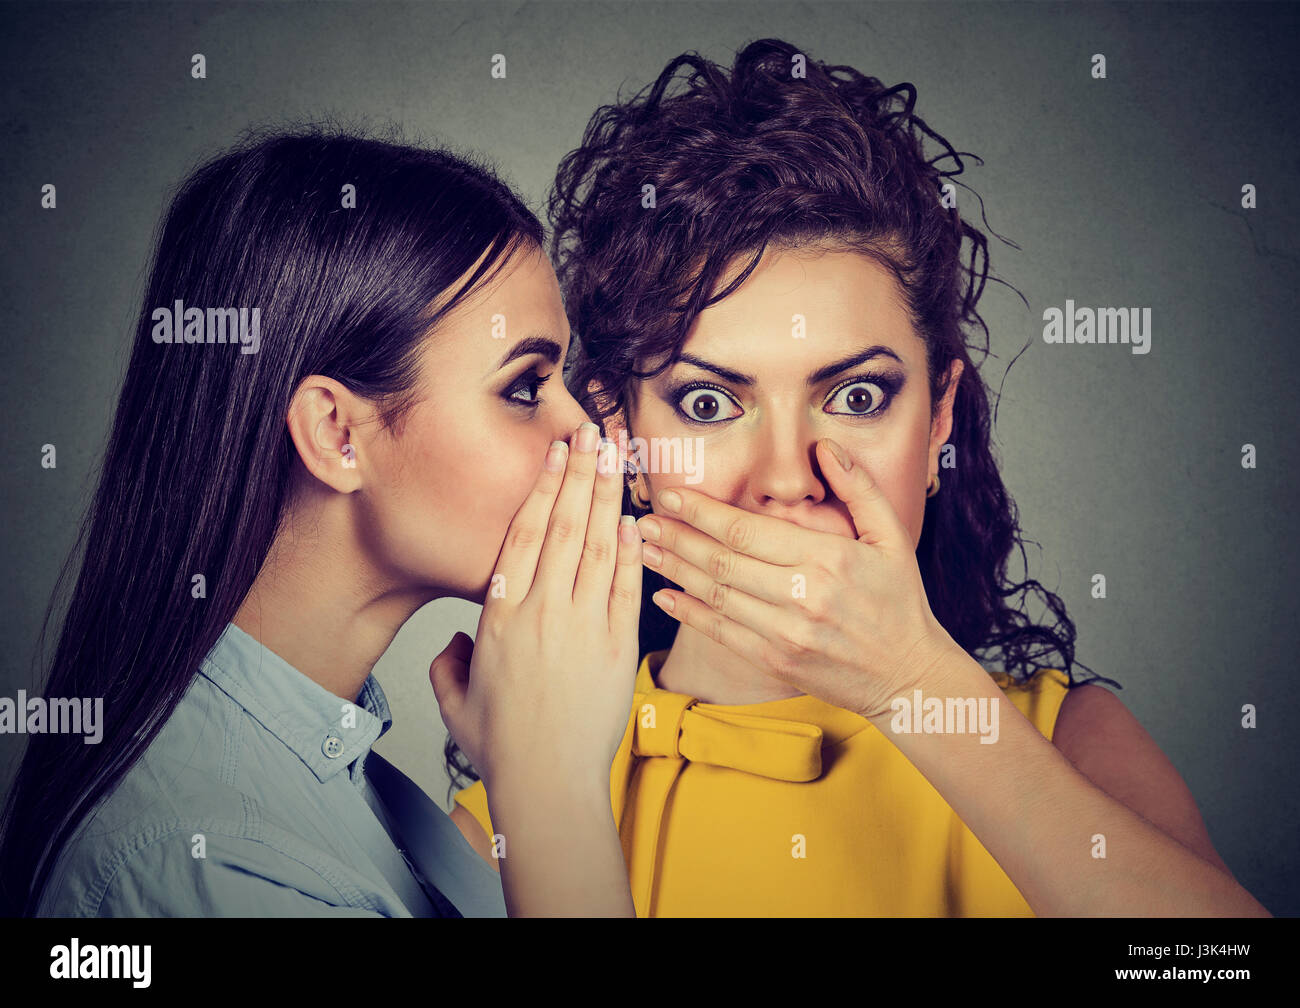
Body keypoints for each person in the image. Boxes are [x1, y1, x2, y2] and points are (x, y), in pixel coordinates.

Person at [450, 39, 1271, 916]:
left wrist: (915, 687)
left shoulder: (1069, 744)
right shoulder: (518, 812)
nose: (788, 480)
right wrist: (552, 804)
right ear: (621, 435)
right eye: (707, 405)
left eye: (856, 394)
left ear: (940, 416)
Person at [0, 127, 643, 917]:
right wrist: (554, 787)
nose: (591, 437)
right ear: (337, 435)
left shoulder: (344, 786)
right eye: (524, 387)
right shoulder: (208, 867)